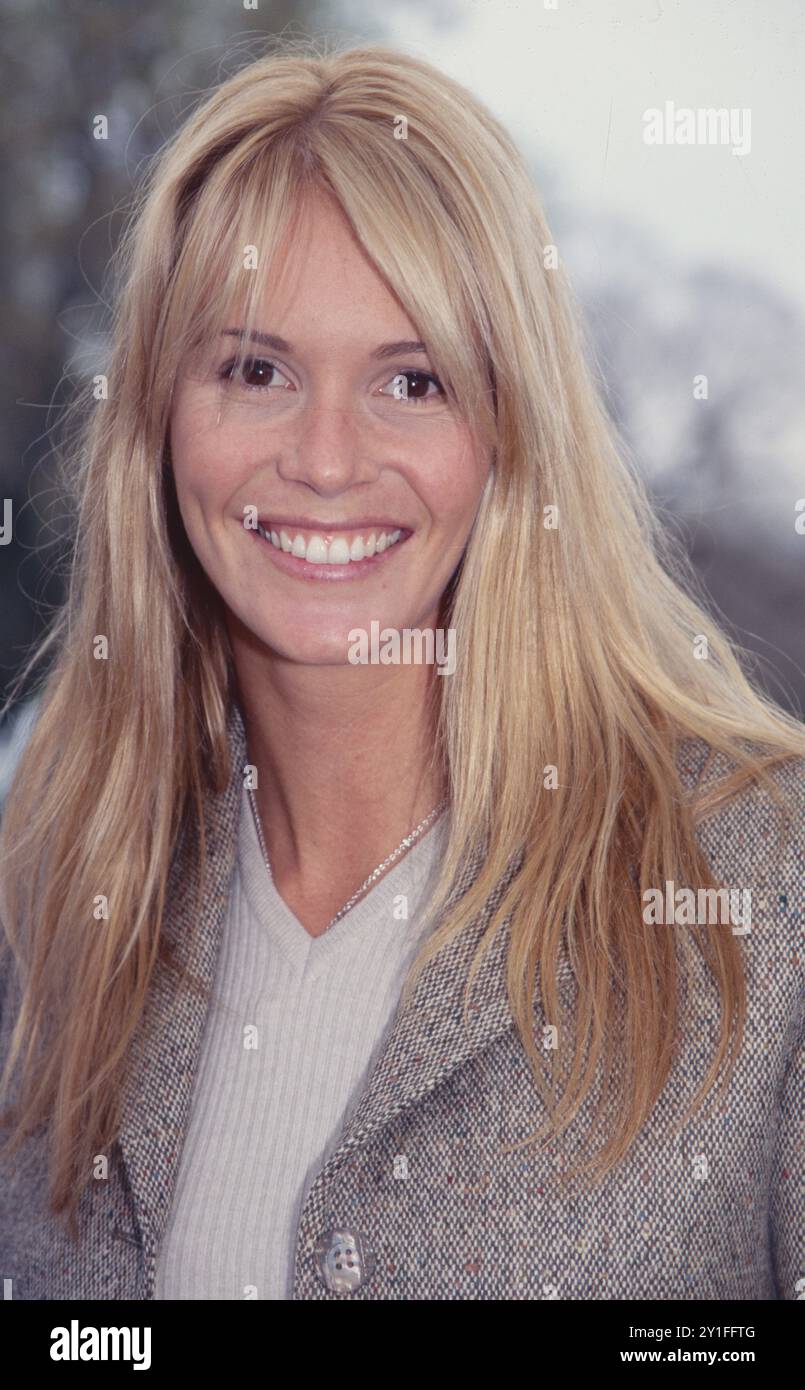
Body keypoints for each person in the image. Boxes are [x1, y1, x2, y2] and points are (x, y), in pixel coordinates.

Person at [0, 38, 802, 1302]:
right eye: (254, 371)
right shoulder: (52, 887)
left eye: (412, 380)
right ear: (158, 421)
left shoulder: (761, 886)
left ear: (508, 432)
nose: (325, 458)